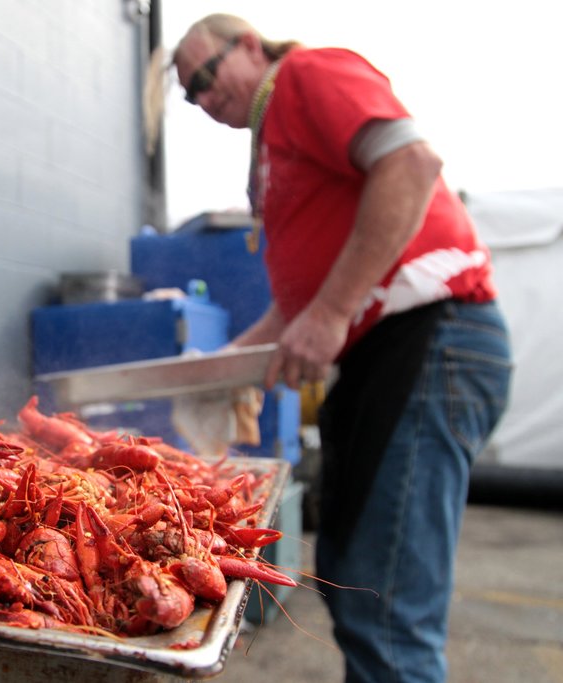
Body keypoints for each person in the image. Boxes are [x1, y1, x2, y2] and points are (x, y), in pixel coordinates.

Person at [170, 14, 513, 683]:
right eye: (192, 96)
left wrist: (331, 312)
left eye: (207, 78)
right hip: (379, 358)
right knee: (354, 574)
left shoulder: (304, 74)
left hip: (430, 341)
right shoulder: (270, 147)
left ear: (248, 44)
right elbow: (295, 304)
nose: (206, 100)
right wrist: (223, 365)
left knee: (385, 606)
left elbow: (412, 162)